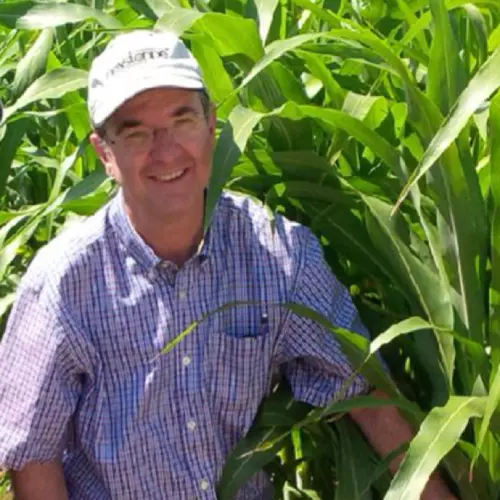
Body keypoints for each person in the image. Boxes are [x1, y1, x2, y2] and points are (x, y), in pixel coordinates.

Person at [0, 30, 455, 499]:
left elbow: (367, 393)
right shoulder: (63, 284)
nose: (166, 150)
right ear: (105, 154)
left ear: (211, 125)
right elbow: (32, 455)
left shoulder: (276, 255)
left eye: (182, 121)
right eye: (137, 133)